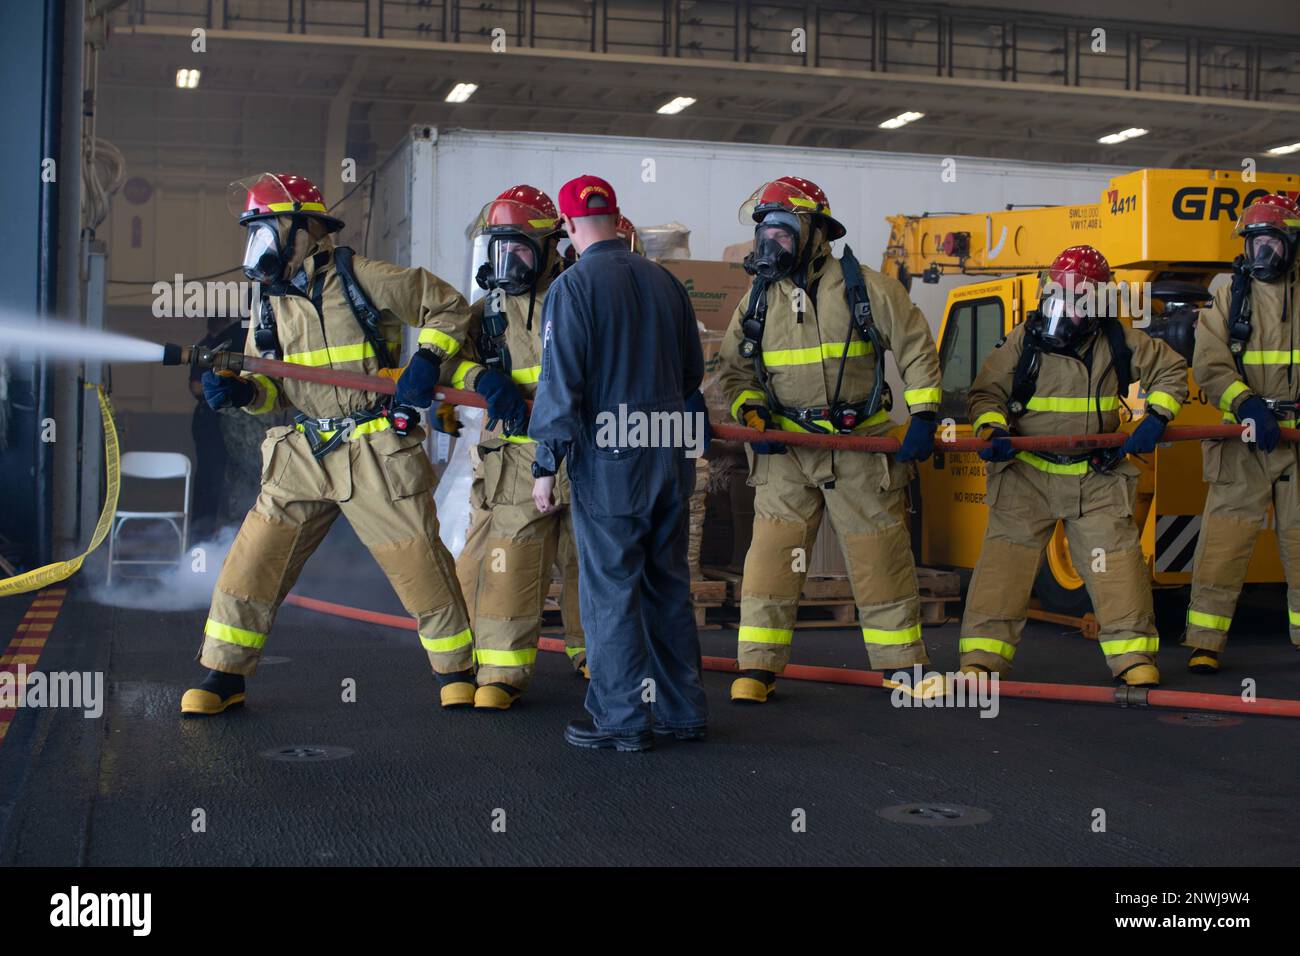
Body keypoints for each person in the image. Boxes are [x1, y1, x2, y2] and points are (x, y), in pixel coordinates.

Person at [181, 172, 478, 715]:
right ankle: (222, 674)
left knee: (418, 565)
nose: (257, 246)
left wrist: (427, 360)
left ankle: (458, 670)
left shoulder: (362, 277)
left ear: (303, 229)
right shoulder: (267, 303)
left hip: (374, 450)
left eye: (265, 230)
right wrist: (242, 390)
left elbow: (450, 307)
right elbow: (272, 388)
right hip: (303, 451)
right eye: (253, 234)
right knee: (251, 561)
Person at [716, 176, 943, 704]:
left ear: (816, 232)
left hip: (860, 450)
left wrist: (926, 414)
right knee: (772, 560)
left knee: (878, 556)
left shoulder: (866, 287)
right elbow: (732, 371)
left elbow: (914, 346)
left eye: (785, 230)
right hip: (787, 454)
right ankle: (757, 666)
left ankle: (902, 667)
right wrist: (751, 412)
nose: (771, 243)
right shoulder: (755, 301)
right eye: (765, 232)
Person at [529, 174, 709, 752]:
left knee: (610, 591)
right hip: (669, 451)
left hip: (613, 459)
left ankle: (623, 720)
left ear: (567, 226)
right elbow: (690, 377)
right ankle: (684, 714)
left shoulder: (572, 288)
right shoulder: (665, 283)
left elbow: (562, 385)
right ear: (617, 216)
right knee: (667, 586)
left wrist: (545, 462)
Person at [960, 245, 1188, 686]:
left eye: (1081, 297)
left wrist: (1155, 418)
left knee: (1117, 567)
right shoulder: (1022, 342)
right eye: (1061, 293)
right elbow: (985, 394)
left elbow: (1171, 372)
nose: (1067, 306)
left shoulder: (1119, 340)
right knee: (1004, 568)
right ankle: (983, 659)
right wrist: (993, 430)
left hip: (1097, 475)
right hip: (1027, 473)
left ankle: (1133, 659)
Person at [440, 185, 586, 709]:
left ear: (550, 248)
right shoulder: (490, 311)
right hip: (516, 458)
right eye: (500, 249)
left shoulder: (579, 297)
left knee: (586, 560)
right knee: (509, 562)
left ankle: (592, 651)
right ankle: (500, 673)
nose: (509, 261)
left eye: (520, 248)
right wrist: (481, 377)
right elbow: (448, 358)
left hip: (582, 451)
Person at [1184, 193, 1300, 672]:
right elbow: (1209, 363)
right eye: (1255, 245)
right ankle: (1205, 644)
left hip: (1297, 440)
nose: (1262, 256)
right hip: (1244, 437)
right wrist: (1247, 403)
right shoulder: (1230, 295)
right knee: (1223, 544)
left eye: (1271, 243)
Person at [188, 315, 245, 540]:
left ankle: (231, 533)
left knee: (235, 477)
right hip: (211, 421)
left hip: (237, 422)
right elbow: (195, 387)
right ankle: (203, 534)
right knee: (211, 477)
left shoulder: (239, 345)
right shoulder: (206, 348)